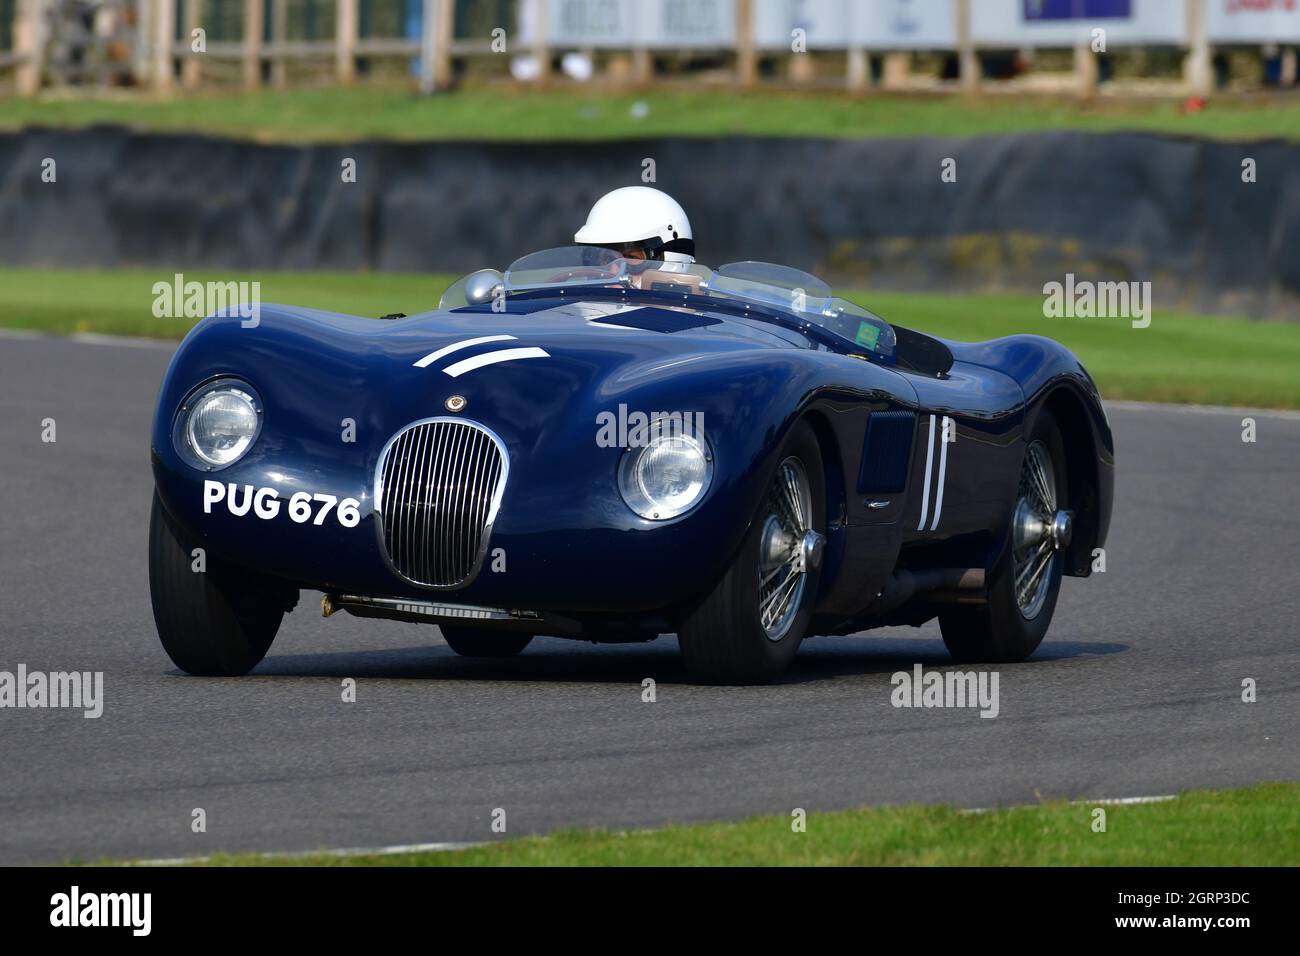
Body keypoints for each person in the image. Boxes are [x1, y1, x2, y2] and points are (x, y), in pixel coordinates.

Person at [574, 187, 696, 264]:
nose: (614, 272)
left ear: (670, 257)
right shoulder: (575, 304)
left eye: (631, 259)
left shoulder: (696, 306)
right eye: (607, 260)